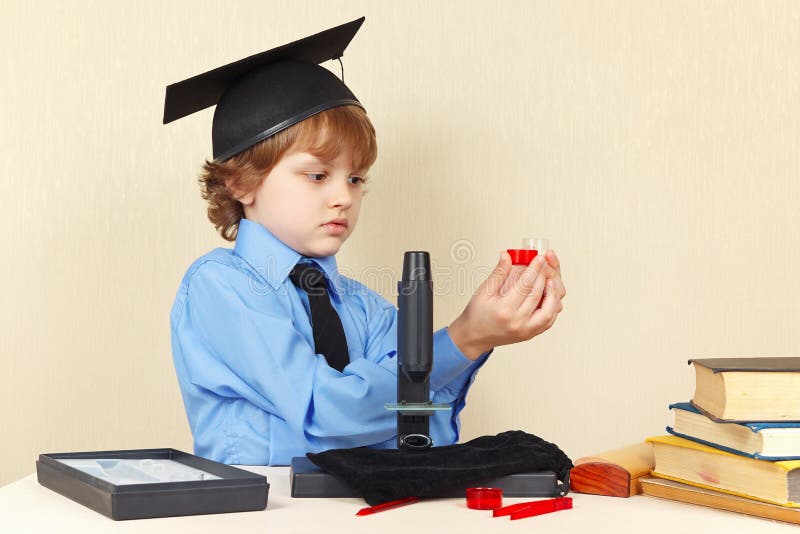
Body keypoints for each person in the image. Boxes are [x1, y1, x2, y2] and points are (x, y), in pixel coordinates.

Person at [165, 18, 566, 466]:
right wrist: (462, 338)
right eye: (317, 175)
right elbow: (328, 413)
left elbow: (421, 433)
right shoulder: (221, 287)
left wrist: (471, 341)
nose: (343, 197)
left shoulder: (366, 310)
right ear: (240, 182)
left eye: (355, 178)